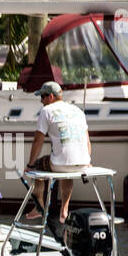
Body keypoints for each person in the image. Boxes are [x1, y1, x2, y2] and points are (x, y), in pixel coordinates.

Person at [25, 81, 90, 222]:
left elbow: (38, 141)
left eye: (42, 97)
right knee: (67, 170)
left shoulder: (46, 111)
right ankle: (64, 209)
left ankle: (39, 206)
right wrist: (88, 162)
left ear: (51, 97)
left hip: (61, 165)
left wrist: (30, 165)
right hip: (83, 164)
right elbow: (87, 142)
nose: (41, 101)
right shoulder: (78, 111)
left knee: (39, 164)